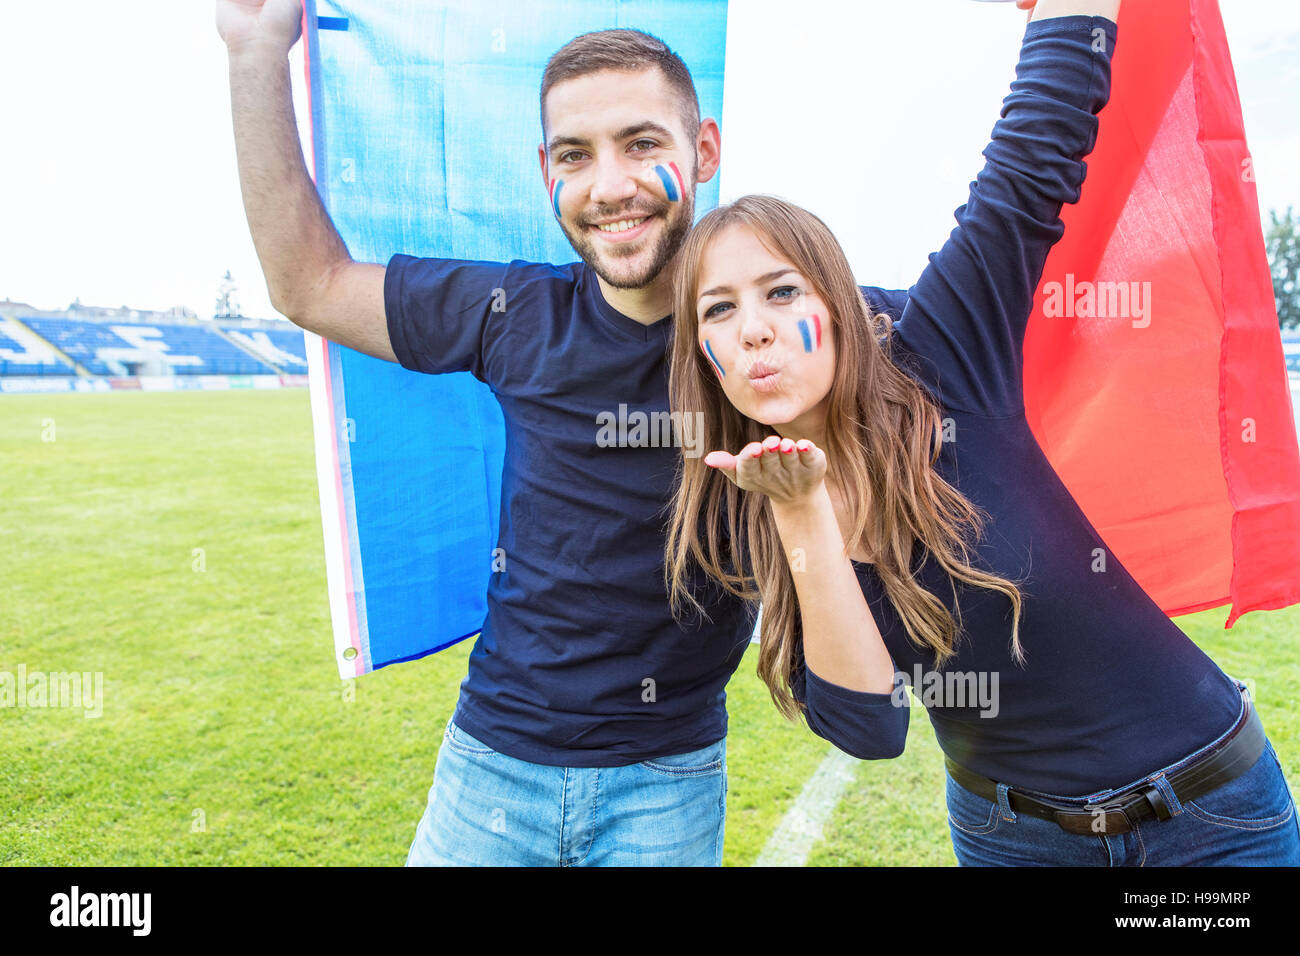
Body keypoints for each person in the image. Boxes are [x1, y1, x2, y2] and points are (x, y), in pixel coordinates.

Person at [216, 0, 924, 865]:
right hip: (489, 768)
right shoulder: (515, 314)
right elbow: (310, 286)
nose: (610, 185)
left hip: (668, 786)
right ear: (544, 171)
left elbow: (993, 297)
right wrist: (253, 49)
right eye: (574, 156)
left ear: (703, 150)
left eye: (642, 144)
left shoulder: (787, 331)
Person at [664, 0, 1300, 865]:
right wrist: (804, 511)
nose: (755, 329)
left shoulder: (941, 358)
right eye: (720, 310)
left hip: (1207, 818)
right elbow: (869, 726)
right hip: (1014, 841)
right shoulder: (754, 500)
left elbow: (1032, 161)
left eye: (782, 292)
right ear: (706, 355)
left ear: (839, 309)